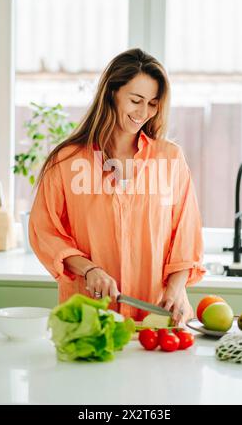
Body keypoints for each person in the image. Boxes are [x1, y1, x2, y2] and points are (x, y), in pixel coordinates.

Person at [29, 48, 206, 324]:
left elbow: (185, 236)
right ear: (112, 92)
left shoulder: (169, 159)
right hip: (88, 316)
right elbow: (46, 231)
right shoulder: (67, 161)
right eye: (136, 100)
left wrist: (175, 289)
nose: (143, 112)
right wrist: (89, 270)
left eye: (152, 103)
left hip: (155, 316)